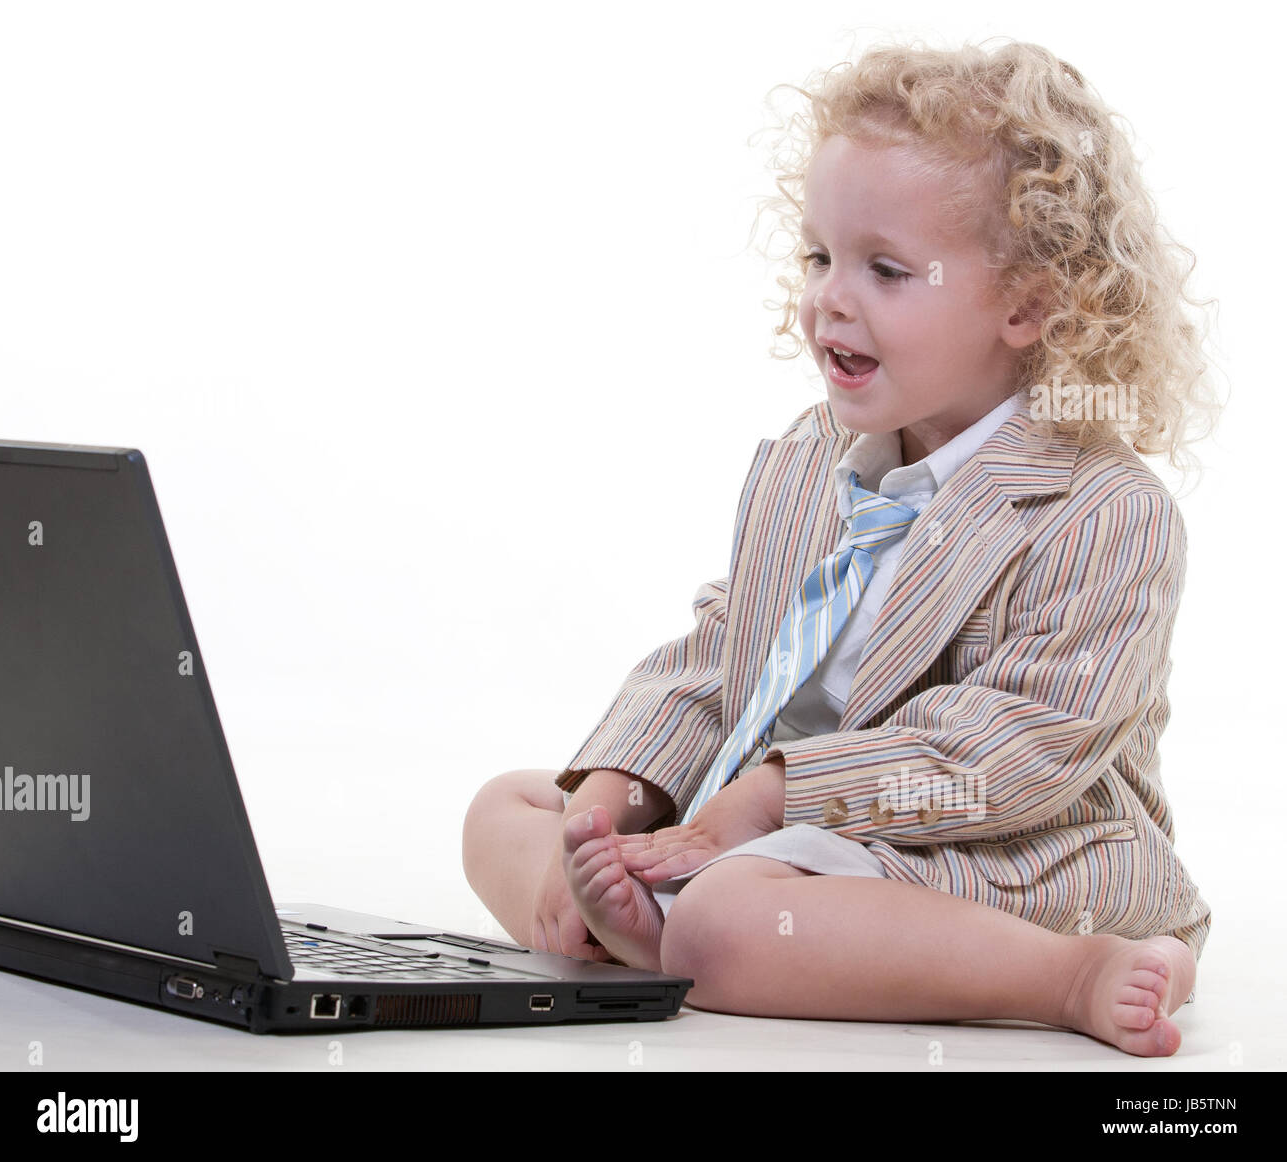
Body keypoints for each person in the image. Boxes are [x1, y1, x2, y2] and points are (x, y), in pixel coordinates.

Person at [463, 37, 1221, 1058]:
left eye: (887, 270)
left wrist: (775, 799)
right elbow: (719, 660)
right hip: (777, 837)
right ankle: (614, 917)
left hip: (1006, 843)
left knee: (734, 920)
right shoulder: (804, 462)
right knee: (504, 806)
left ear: (1027, 303)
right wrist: (609, 805)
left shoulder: (1101, 509)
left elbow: (1010, 753)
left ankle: (1067, 974)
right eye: (819, 256)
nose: (829, 297)